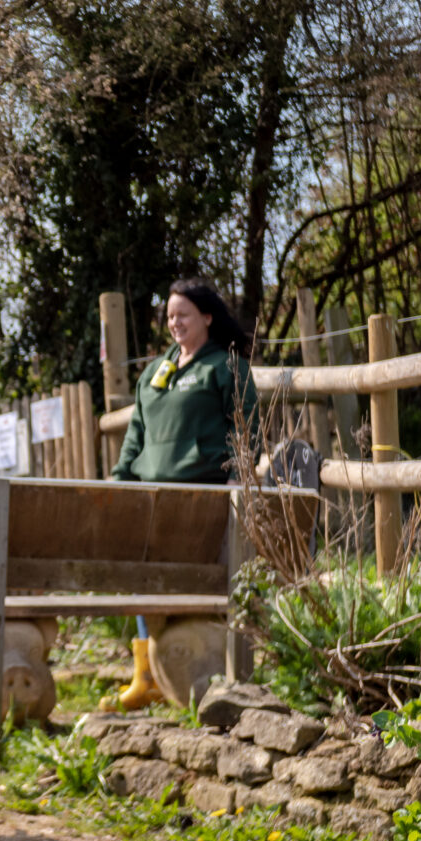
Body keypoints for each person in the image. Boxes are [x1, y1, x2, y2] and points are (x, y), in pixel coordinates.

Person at [108, 278, 257, 709]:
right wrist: (122, 478)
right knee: (145, 581)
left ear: (207, 318)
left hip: (203, 492)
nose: (174, 323)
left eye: (183, 315)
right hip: (151, 495)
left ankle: (196, 667)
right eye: (170, 316)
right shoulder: (157, 371)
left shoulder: (225, 368)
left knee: (195, 583)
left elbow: (245, 425)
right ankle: (146, 675)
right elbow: (137, 431)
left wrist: (238, 474)